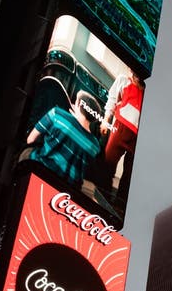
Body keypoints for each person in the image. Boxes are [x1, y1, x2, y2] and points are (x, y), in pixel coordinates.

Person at [24, 89, 102, 189]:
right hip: (68, 188)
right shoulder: (95, 146)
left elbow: (30, 139)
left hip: (41, 170)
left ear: (78, 104)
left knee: (26, 153)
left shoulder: (57, 114)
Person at [99, 69, 145, 206]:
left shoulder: (147, 91)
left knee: (130, 172)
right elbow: (112, 99)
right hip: (120, 127)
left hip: (137, 135)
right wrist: (106, 120)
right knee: (108, 162)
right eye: (135, 76)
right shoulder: (123, 80)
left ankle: (120, 203)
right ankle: (101, 193)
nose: (136, 80)